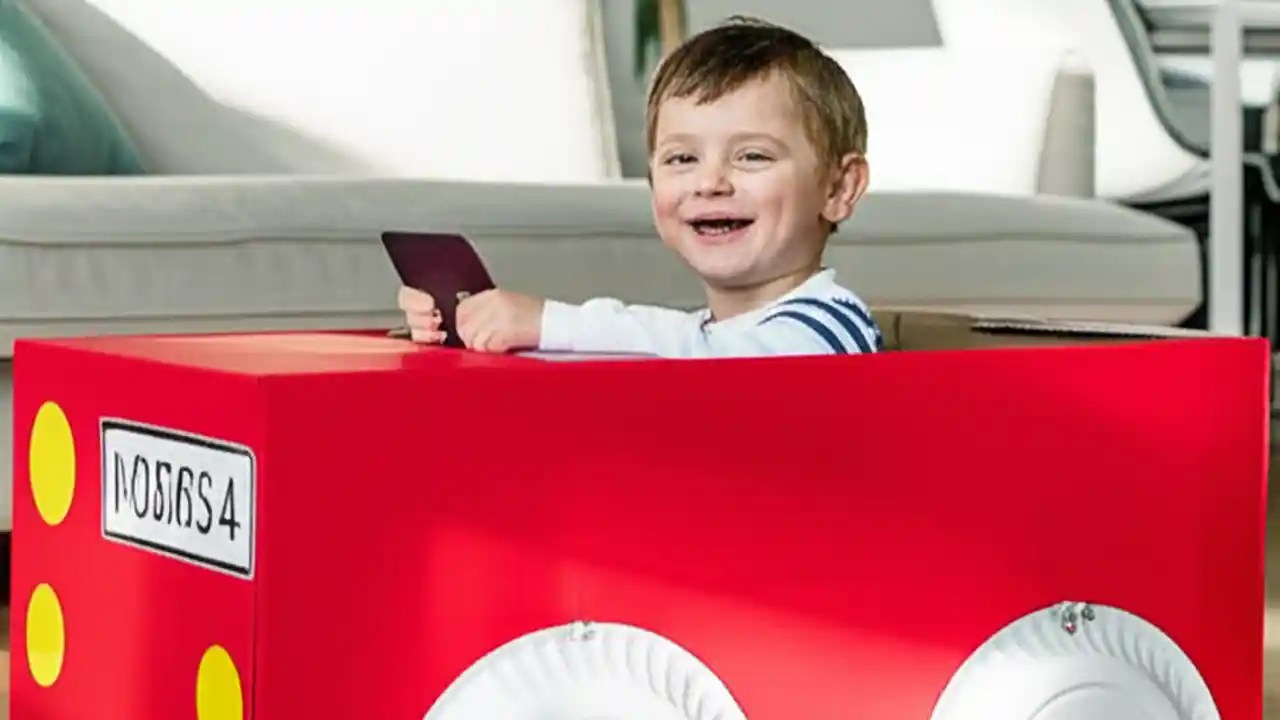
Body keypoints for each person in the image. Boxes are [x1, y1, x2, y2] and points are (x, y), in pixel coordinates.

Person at [397, 16, 881, 357]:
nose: (710, 182)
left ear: (839, 189)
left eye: (752, 156)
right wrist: (480, 328)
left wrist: (552, 323)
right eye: (682, 158)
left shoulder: (829, 328)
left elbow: (727, 366)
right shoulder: (689, 340)